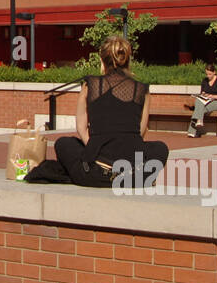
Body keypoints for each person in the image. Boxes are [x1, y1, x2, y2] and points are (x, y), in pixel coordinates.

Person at [49, 35, 169, 188]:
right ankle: (140, 178)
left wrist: (93, 147)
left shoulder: (89, 85)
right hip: (132, 172)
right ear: (127, 60)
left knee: (63, 143)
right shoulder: (142, 89)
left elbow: (81, 127)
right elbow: (140, 131)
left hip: (94, 173)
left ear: (101, 61)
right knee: (160, 148)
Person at [187, 64, 217, 137]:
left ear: (214, 72)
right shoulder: (204, 81)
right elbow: (202, 92)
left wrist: (212, 96)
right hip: (206, 101)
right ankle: (199, 121)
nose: (208, 76)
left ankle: (192, 131)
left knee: (198, 109)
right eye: (207, 74)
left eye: (210, 74)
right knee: (198, 100)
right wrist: (204, 94)